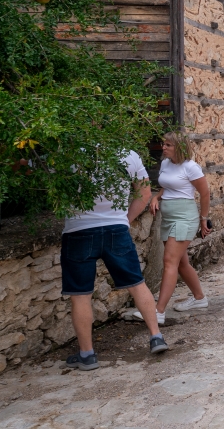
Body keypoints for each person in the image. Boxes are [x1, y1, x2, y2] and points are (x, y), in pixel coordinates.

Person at [62, 149, 169, 370]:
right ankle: (156, 337)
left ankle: (87, 355)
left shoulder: (65, 151)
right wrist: (124, 220)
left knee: (80, 294)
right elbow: (145, 193)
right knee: (136, 284)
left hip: (79, 231)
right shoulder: (127, 154)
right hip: (116, 229)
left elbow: (25, 167)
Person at [134, 133, 210, 324]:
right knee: (181, 263)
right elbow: (167, 186)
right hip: (168, 217)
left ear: (179, 147)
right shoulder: (166, 163)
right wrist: (156, 197)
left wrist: (203, 220)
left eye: (168, 144)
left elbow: (205, 193)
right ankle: (199, 298)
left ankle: (158, 311)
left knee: (169, 261)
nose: (163, 147)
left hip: (185, 216)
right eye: (163, 144)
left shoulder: (191, 167)